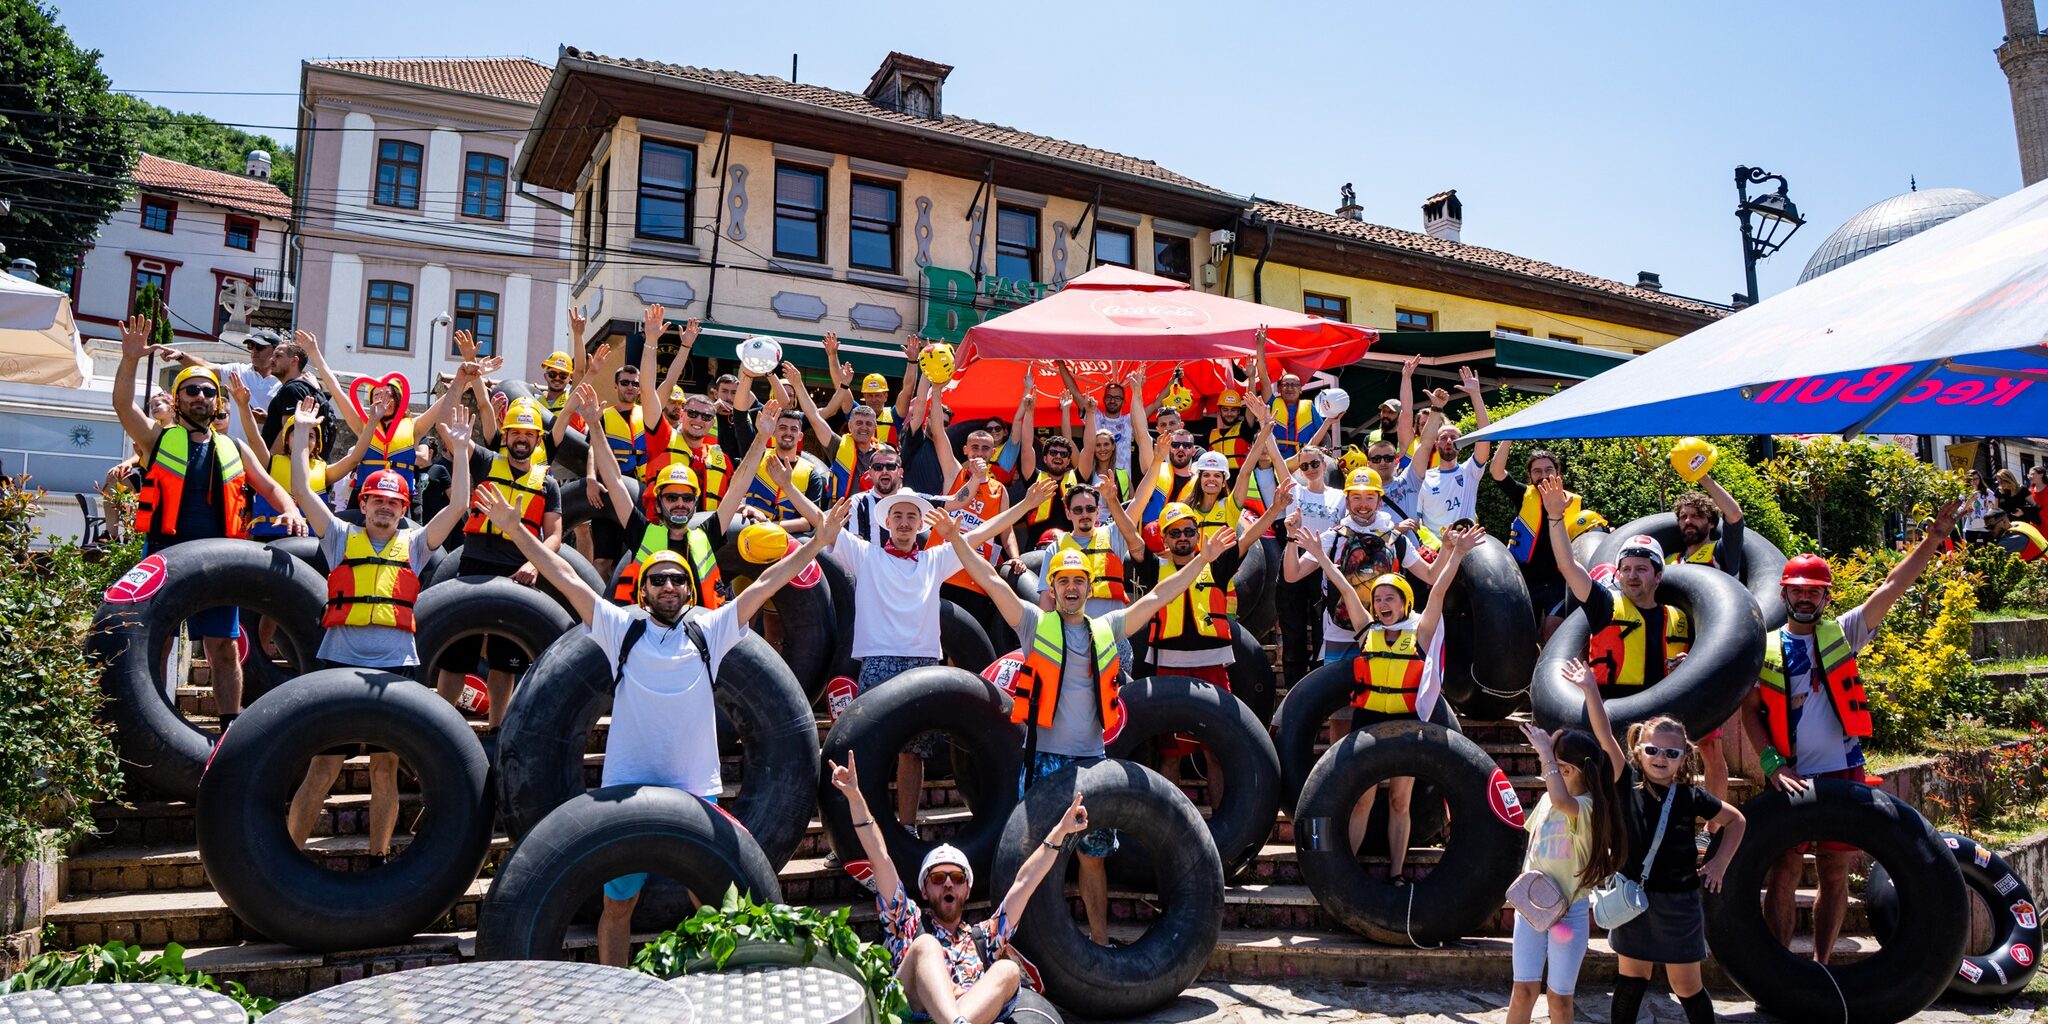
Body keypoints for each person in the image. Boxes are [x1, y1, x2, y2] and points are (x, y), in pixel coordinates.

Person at [476, 472, 838, 968]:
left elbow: (768, 581)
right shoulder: (619, 626)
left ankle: (718, 990)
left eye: (676, 580)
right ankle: (615, 993)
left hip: (695, 786)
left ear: (689, 589)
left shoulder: (711, 627)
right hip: (627, 786)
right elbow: (565, 576)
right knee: (617, 904)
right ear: (643, 589)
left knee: (709, 902)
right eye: (658, 579)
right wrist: (518, 532)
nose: (668, 586)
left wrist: (818, 541)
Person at [943, 517, 1241, 946]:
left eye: (1078, 581)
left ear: (1088, 586)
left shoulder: (1108, 628)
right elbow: (990, 579)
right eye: (1062, 581)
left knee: (1092, 856)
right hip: (1043, 759)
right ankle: (1027, 948)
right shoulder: (1032, 622)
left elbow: (1158, 595)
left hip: (1091, 764)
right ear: (1052, 588)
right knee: (1035, 860)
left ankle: (1098, 945)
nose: (1071, 588)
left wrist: (1200, 562)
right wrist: (955, 539)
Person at [1740, 499, 1959, 965]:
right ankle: (1779, 974)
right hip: (1790, 775)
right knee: (1783, 869)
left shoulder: (1845, 632)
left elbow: (1893, 586)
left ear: (1826, 597)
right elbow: (1749, 713)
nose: (1804, 597)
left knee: (1835, 872)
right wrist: (1772, 765)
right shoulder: (1764, 646)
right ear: (1783, 594)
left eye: (1813, 591)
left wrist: (1934, 538)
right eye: (1797, 590)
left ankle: (1819, 968)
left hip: (1844, 772)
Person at [282, 399, 475, 857]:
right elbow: (301, 490)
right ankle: (285, 857)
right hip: (340, 665)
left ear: (403, 508)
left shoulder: (415, 544)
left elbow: (460, 505)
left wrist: (462, 452)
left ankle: (378, 857)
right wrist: (299, 439)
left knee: (384, 768)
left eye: (394, 503)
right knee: (323, 767)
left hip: (396, 669)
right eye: (377, 501)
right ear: (362, 503)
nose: (385, 509)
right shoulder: (338, 536)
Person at [111, 315, 303, 726]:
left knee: (223, 647)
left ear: (218, 402)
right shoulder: (157, 438)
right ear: (178, 400)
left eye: (207, 391)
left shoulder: (234, 447)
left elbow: (270, 487)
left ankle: (229, 723)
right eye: (191, 390)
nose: (200, 396)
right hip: (164, 556)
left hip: (218, 560)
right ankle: (156, 720)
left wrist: (289, 509)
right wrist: (129, 361)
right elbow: (123, 406)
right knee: (157, 643)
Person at [830, 480, 1055, 830]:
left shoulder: (934, 559)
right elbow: (821, 522)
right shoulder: (865, 554)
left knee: (912, 754)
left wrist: (1025, 505)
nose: (904, 523)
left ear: (921, 525)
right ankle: (857, 832)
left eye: (911, 517)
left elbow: (984, 532)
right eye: (898, 516)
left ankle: (907, 827)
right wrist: (787, 486)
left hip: (921, 665)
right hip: (877, 662)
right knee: (867, 753)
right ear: (887, 522)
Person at [830, 751, 1090, 1024]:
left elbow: (1025, 883)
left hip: (967, 1013)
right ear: (925, 891)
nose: (948, 884)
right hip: (913, 1013)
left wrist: (1059, 832)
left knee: (1006, 970)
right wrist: (854, 797)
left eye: (956, 878)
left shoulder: (984, 939)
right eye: (938, 879)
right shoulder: (907, 923)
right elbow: (879, 856)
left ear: (967, 890)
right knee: (925, 945)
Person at [1303, 523, 1480, 869]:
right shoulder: (1367, 630)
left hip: (1406, 724)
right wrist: (1322, 556)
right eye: (1378, 599)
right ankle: (1347, 872)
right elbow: (1344, 587)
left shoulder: (1421, 633)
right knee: (1361, 802)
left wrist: (1456, 553)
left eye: (1390, 599)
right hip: (1367, 721)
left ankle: (1396, 872)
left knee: (1400, 801)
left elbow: (1439, 592)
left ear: (1404, 603)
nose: (1382, 604)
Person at [1585, 691, 1748, 1024]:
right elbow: (1602, 732)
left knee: (1686, 984)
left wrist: (1719, 863)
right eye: (1652, 750)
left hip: (1679, 903)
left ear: (1683, 758)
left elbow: (1736, 821)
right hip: (1632, 900)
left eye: (1671, 753)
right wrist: (1590, 690)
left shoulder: (1691, 796)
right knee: (1632, 979)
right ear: (1638, 751)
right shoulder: (1626, 782)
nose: (1661, 757)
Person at [434, 396, 563, 729]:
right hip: (474, 568)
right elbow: (448, 432)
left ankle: (496, 729)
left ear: (537, 440)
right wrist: (459, 385)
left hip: (518, 575)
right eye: (516, 432)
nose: (522, 439)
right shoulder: (486, 461)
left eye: (529, 434)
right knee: (458, 655)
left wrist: (535, 564)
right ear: (505, 436)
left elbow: (554, 535)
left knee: (505, 660)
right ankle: (438, 727)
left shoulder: (548, 484)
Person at [597, 390, 771, 606]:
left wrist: (762, 436)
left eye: (687, 498)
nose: (680, 503)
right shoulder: (641, 532)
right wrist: (595, 426)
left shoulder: (707, 535)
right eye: (671, 497)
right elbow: (613, 479)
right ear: (658, 504)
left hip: (693, 631)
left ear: (695, 503)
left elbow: (738, 487)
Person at [1508, 716, 1628, 1024]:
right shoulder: (1549, 800)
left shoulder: (1586, 807)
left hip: (1567, 917)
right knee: (1523, 990)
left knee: (1559, 999)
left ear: (1567, 770)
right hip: (1532, 910)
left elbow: (1562, 799)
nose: (1544, 763)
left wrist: (1546, 753)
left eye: (1551, 762)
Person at [1283, 468, 1444, 664]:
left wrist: (1450, 548)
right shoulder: (1332, 537)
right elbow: (1292, 575)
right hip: (1339, 633)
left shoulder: (1396, 540)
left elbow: (1430, 575)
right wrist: (1291, 536)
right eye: (1356, 498)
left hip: (1385, 635)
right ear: (1347, 502)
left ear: (1380, 501)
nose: (1363, 505)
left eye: (1369, 497)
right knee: (1338, 693)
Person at [1546, 482, 1690, 697]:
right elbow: (1568, 565)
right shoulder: (1605, 605)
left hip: (1659, 716)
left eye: (1641, 569)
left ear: (1658, 576)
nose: (1632, 576)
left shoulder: (1678, 617)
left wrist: (1687, 665)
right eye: (1626, 569)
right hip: (1612, 710)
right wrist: (1555, 516)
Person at [1668, 473, 1748, 822]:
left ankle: (1715, 826)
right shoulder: (1671, 563)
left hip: (1706, 660)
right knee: (1667, 745)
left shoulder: (1719, 553)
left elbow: (1735, 517)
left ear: (1709, 522)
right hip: (1670, 663)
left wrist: (1704, 478)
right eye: (1683, 516)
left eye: (1696, 516)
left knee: (1710, 745)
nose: (1688, 522)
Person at [1489, 442, 1599, 640]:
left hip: (1558, 583)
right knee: (1522, 637)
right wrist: (1508, 438)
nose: (1543, 475)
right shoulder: (1523, 495)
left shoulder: (1576, 503)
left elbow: (1593, 533)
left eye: (1549, 469)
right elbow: (1496, 472)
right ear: (1530, 476)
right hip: (1524, 580)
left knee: (1552, 633)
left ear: (1558, 473)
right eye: (1537, 471)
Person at [1399, 366, 1492, 535]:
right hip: (1437, 553)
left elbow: (1484, 437)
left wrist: (1476, 395)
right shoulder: (1424, 478)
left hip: (1466, 550)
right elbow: (1416, 521)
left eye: (1454, 438)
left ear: (1461, 443)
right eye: (1443, 438)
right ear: (1435, 444)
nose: (1449, 441)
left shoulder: (1470, 471)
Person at [786, 353, 883, 503]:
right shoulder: (838, 446)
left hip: (875, 514)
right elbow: (814, 418)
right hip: (843, 516)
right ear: (849, 426)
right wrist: (798, 385)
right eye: (859, 423)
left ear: (875, 427)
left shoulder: (885, 453)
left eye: (868, 424)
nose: (864, 428)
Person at [1964, 468, 1996, 543]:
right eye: (1971, 479)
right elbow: (1961, 511)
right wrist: (1969, 501)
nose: (1974, 481)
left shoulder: (1987, 492)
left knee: (1989, 548)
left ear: (1980, 479)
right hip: (1971, 526)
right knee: (1971, 549)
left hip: (1985, 526)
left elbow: (1995, 506)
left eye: (1976, 479)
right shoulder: (1964, 493)